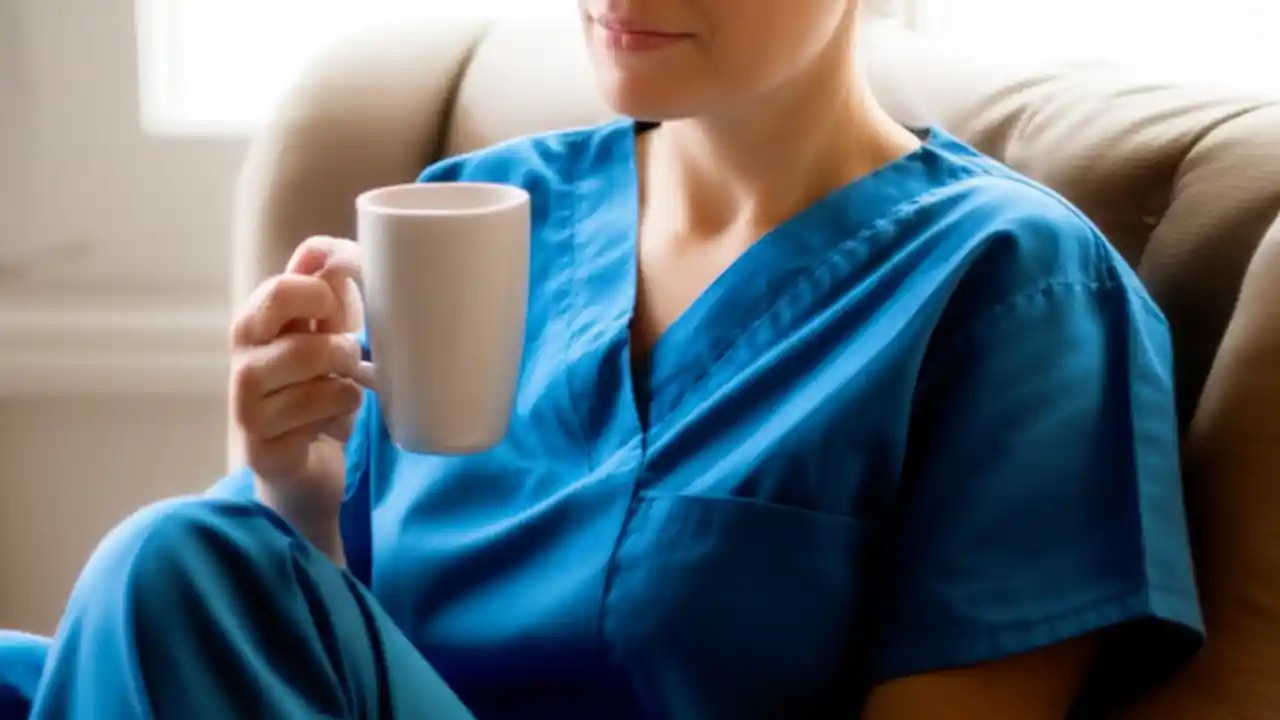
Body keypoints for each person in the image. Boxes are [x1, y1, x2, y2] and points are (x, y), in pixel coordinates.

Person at [0, 1, 1204, 717]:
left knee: (177, 557)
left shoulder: (1011, 292)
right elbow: (308, 648)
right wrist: (292, 486)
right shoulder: (474, 207)